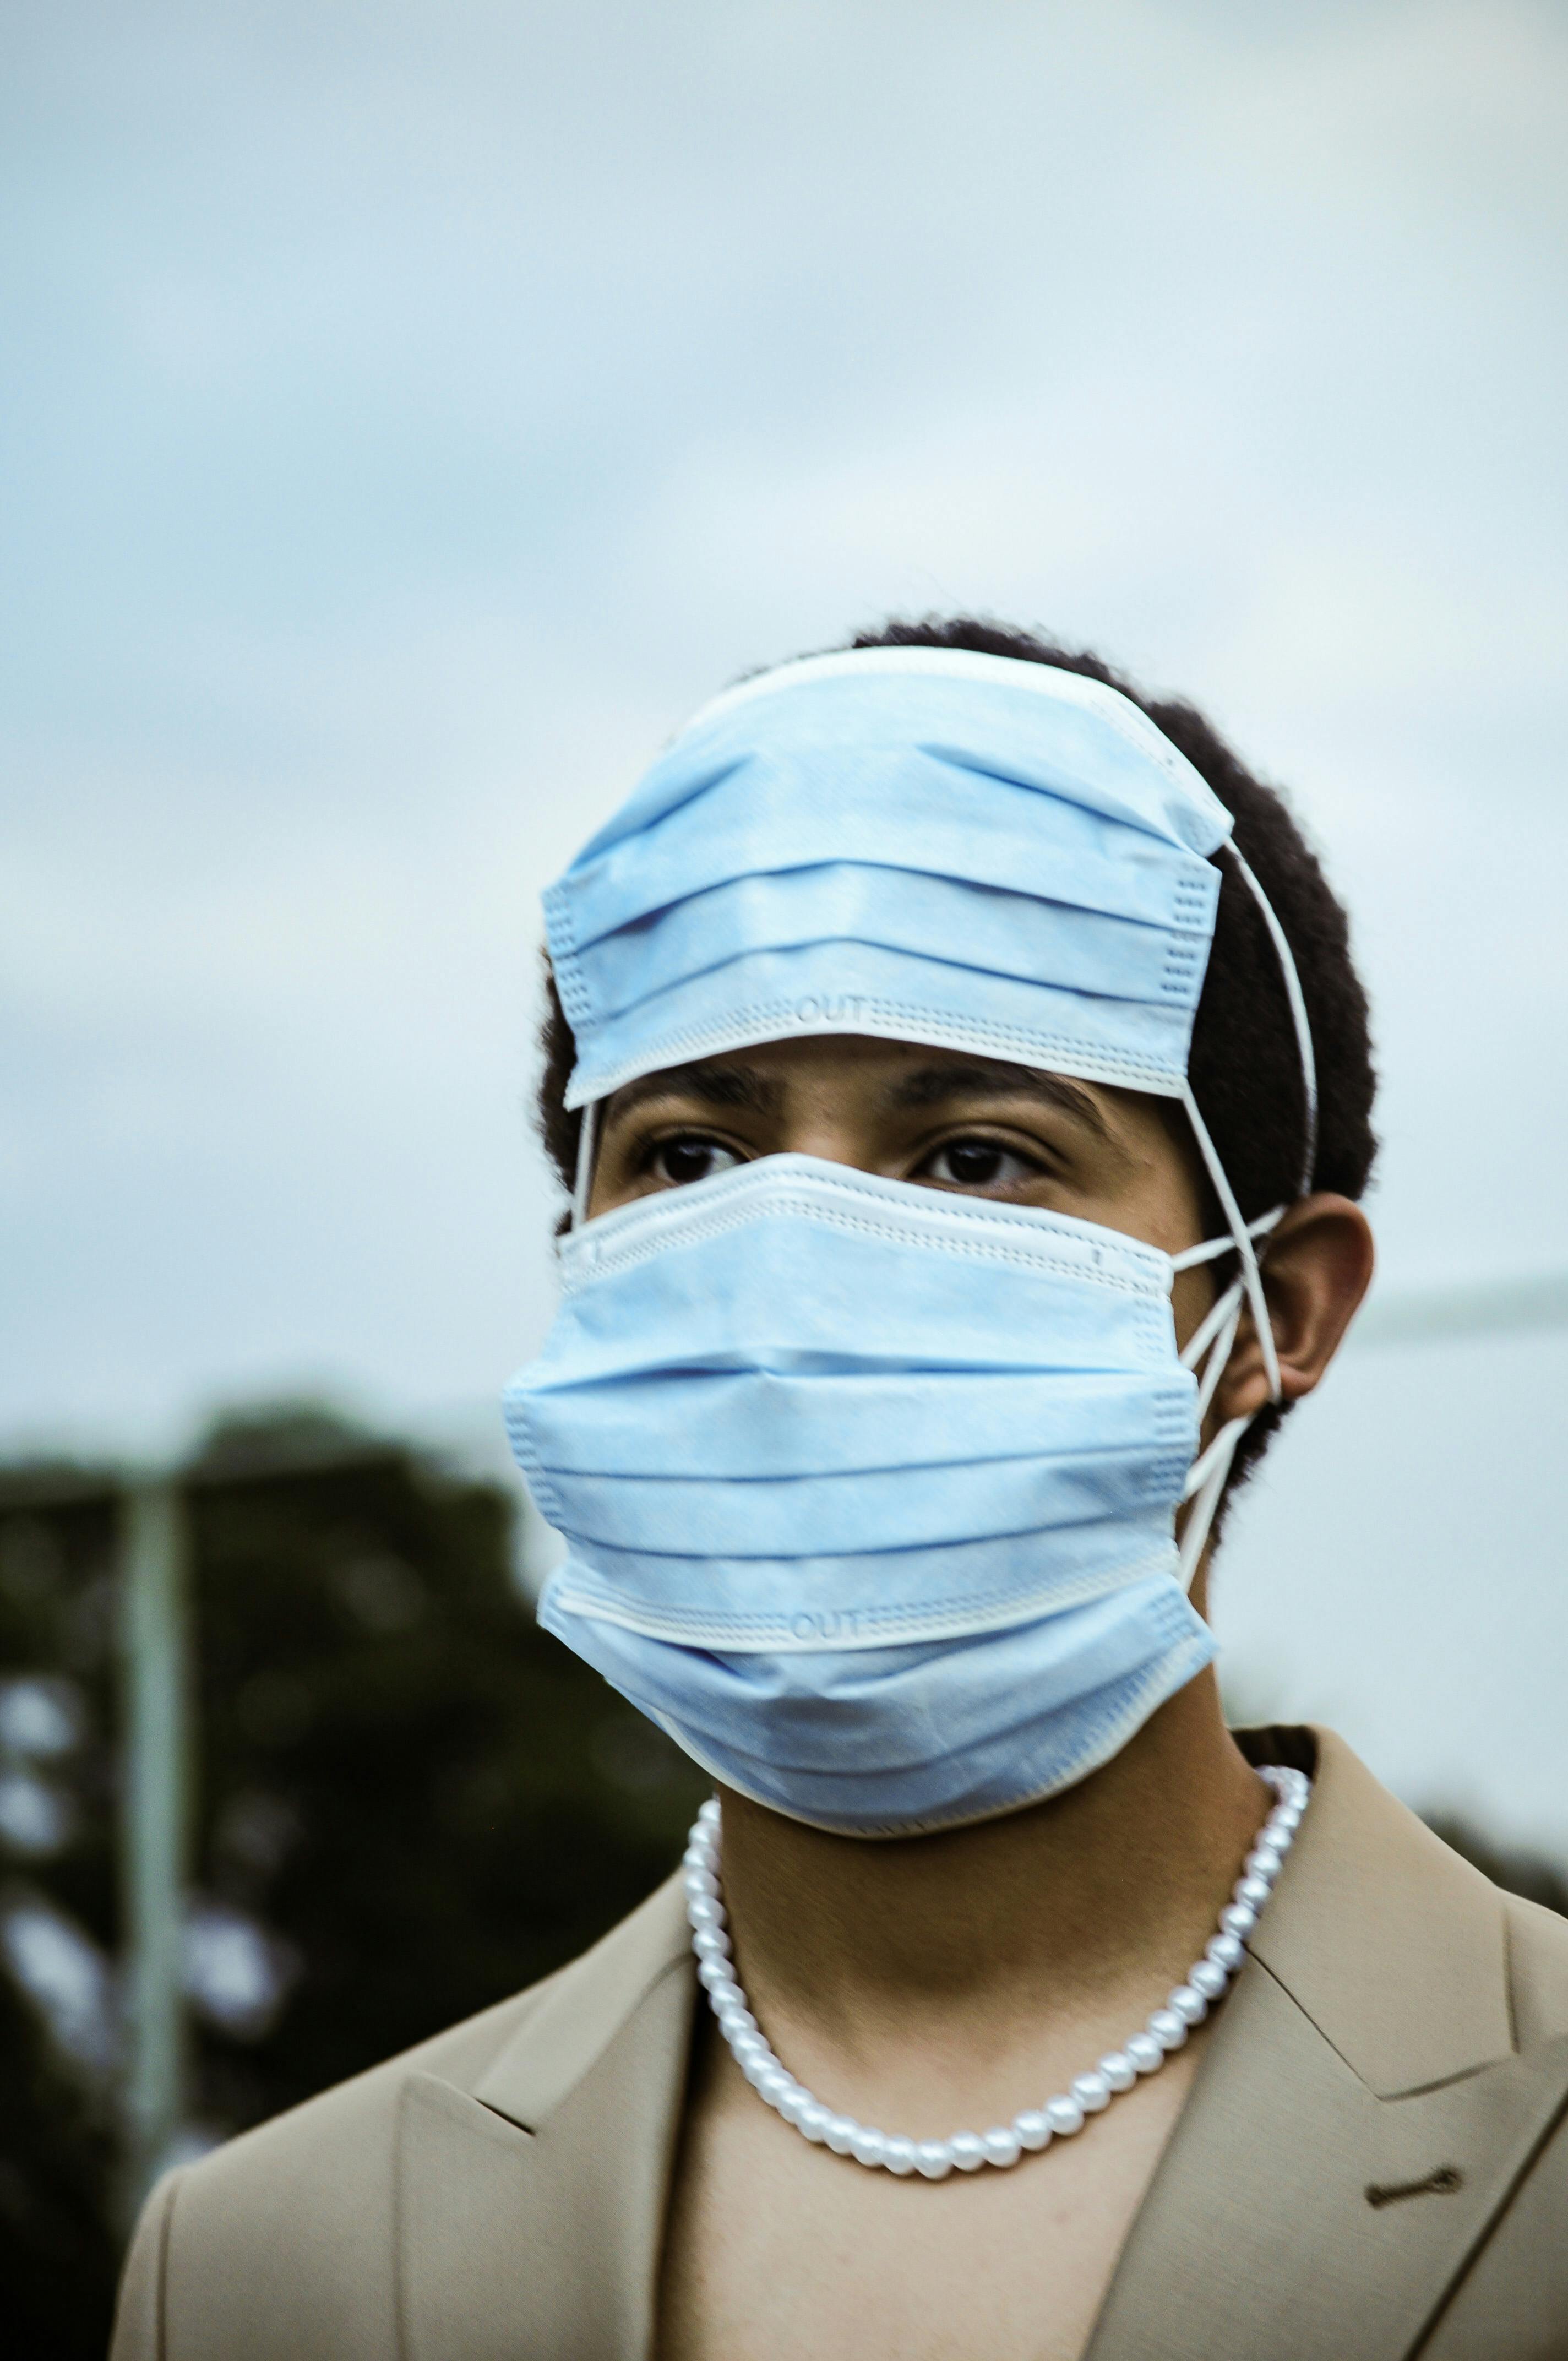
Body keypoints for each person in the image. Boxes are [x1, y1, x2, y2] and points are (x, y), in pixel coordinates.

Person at [111, 620, 1568, 2360]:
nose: (786, 1282)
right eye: (691, 1157)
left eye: (976, 1155)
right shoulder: (264, 2270)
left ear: (1279, 1310)